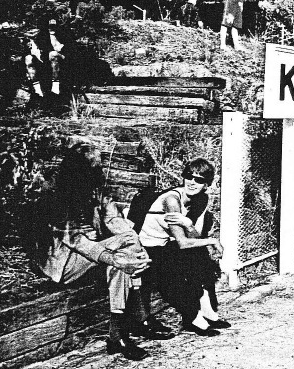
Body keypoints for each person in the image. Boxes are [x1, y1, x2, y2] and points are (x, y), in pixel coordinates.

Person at [31, 142, 153, 361]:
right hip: (64, 262)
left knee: (128, 245)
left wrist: (136, 246)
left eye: (97, 167)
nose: (95, 173)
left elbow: (114, 219)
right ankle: (126, 328)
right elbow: (75, 241)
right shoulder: (58, 196)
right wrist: (113, 258)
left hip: (89, 251)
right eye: (89, 168)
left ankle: (124, 329)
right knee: (120, 262)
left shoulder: (96, 190)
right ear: (74, 169)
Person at [138, 158, 227, 336]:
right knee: (176, 269)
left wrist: (188, 224)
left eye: (199, 180)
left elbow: (194, 235)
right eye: (189, 177)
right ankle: (192, 317)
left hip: (163, 243)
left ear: (207, 184)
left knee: (199, 258)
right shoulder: (172, 200)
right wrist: (212, 241)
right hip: (145, 246)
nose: (192, 183)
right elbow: (183, 242)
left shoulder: (200, 199)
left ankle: (206, 310)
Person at [25, 18, 72, 102]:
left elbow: (68, 50)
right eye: (50, 26)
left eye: (54, 26)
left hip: (59, 60)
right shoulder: (43, 36)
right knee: (28, 59)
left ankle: (55, 87)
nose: (51, 28)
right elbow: (36, 50)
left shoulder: (63, 34)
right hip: (44, 60)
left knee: (53, 54)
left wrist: (60, 48)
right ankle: (37, 90)